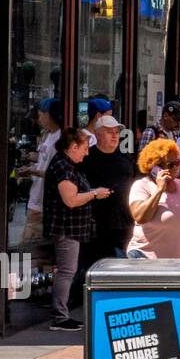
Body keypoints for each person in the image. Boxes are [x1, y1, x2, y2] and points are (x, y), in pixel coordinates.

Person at [43, 128, 111, 330]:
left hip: (71, 228)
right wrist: (94, 194)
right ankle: (60, 316)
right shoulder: (64, 167)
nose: (87, 153)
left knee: (67, 270)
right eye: (84, 148)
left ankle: (61, 313)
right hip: (66, 228)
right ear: (73, 147)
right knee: (66, 271)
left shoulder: (69, 165)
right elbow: (71, 200)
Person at [127, 139, 180, 260]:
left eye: (178, 162)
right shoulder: (141, 185)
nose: (177, 167)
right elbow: (140, 217)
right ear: (155, 168)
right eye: (171, 164)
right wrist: (160, 189)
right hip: (147, 260)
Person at [82, 115, 135, 263]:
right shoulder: (87, 158)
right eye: (109, 132)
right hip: (97, 224)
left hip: (125, 222)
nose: (114, 136)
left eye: (117, 132)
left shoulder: (126, 157)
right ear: (98, 134)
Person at [20, 98, 63, 244]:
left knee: (30, 247)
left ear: (48, 114)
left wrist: (33, 171)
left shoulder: (61, 138)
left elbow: (57, 173)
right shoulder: (48, 135)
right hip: (36, 197)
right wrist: (34, 160)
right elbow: (44, 161)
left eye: (40, 115)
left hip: (44, 201)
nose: (39, 119)